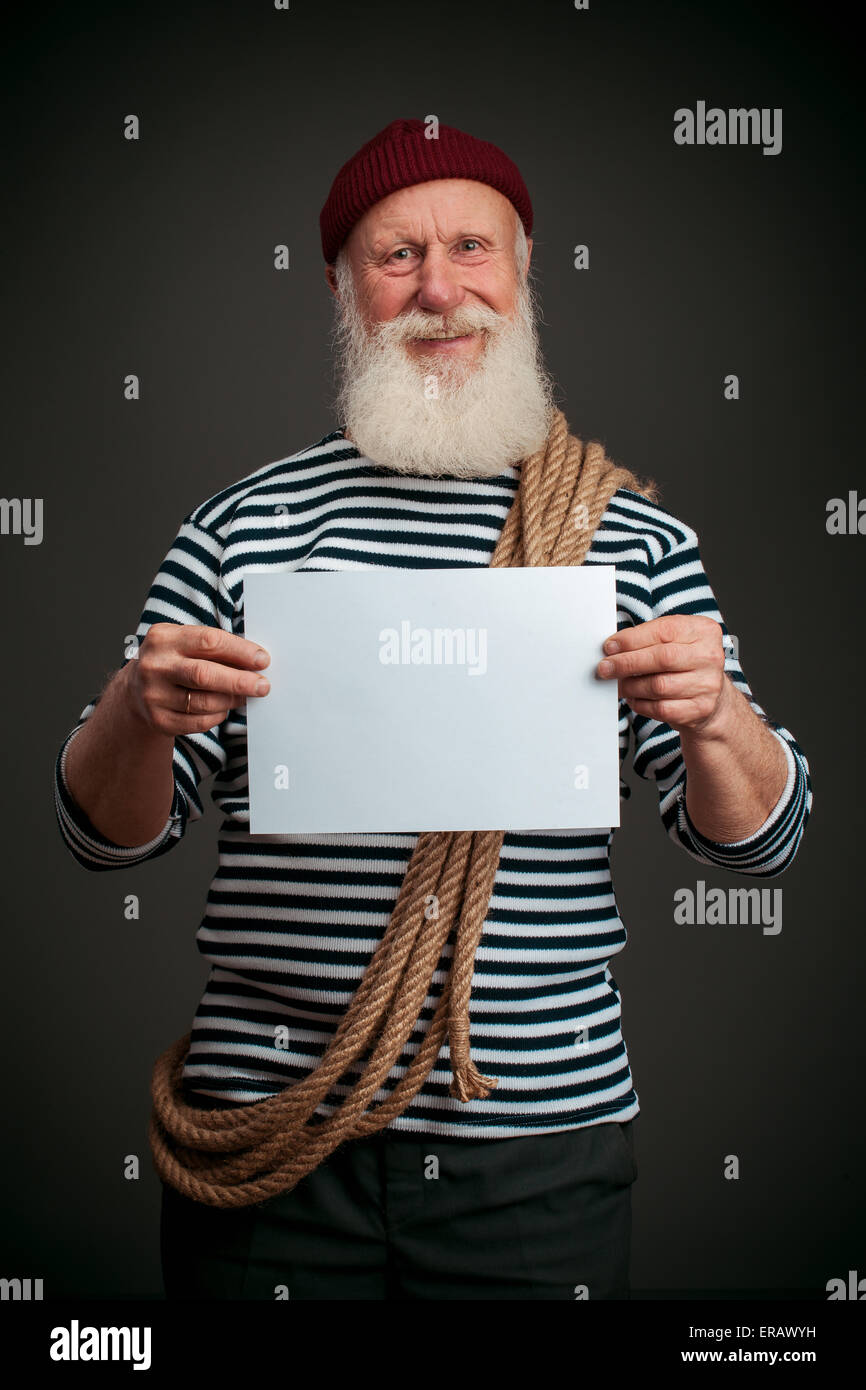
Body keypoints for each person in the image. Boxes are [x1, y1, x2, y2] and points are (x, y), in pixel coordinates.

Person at [53, 118, 812, 1301]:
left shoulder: (630, 538)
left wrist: (717, 721)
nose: (439, 289)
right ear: (342, 286)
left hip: (534, 1149)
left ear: (522, 273)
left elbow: (757, 839)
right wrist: (135, 714)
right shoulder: (238, 528)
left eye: (471, 246)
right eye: (395, 255)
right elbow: (108, 837)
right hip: (270, 1138)